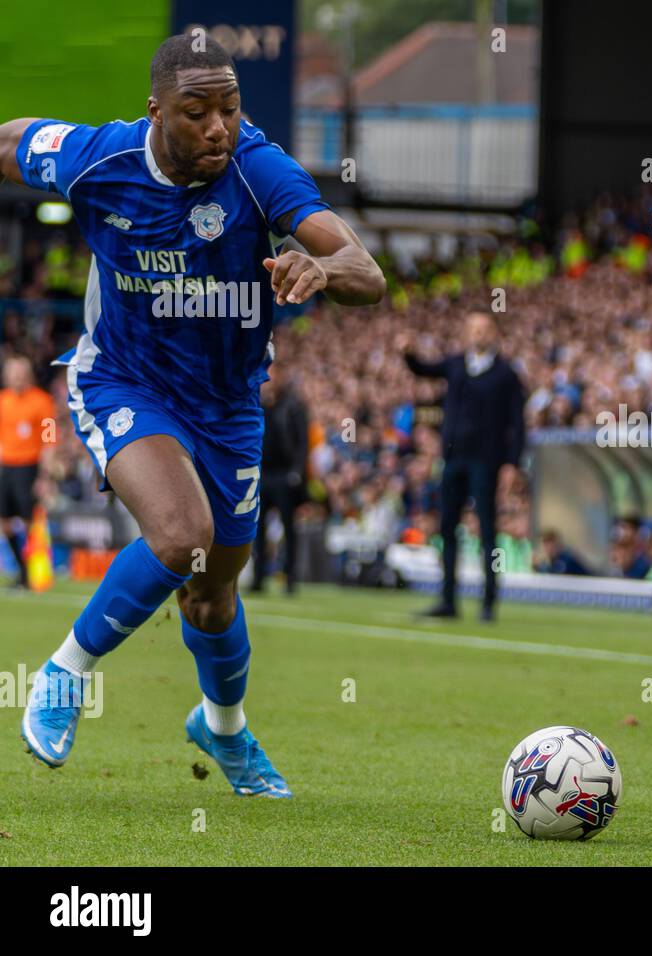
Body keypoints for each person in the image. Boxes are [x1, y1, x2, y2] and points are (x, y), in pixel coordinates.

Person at [2, 35, 386, 796]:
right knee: (181, 537)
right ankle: (61, 676)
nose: (219, 126)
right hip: (122, 379)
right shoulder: (95, 159)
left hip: (228, 403)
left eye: (231, 109)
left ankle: (223, 729)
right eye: (198, 111)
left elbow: (366, 272)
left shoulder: (257, 166)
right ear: (156, 114)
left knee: (212, 593)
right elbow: (11, 141)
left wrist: (324, 265)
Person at [404, 311, 525, 621]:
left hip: (486, 460)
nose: (478, 334)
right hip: (453, 458)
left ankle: (488, 602)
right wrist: (408, 353)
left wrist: (511, 463)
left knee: (486, 529)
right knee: (447, 527)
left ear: (495, 333)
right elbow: (424, 369)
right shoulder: (456, 364)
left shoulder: (505, 374)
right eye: (472, 328)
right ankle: (448, 599)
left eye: (484, 328)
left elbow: (517, 423)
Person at [252, 363, 309, 594]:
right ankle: (258, 577)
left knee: (288, 527)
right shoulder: (260, 403)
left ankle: (290, 577)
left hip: (284, 475)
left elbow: (302, 442)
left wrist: (297, 471)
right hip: (263, 473)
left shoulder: (293, 405)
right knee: (258, 529)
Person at [0, 355, 56, 589]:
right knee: (4, 521)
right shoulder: (2, 400)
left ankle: (36, 573)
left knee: (31, 521)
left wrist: (45, 476)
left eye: (21, 372)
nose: (17, 376)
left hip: (30, 467)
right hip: (6, 467)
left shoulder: (42, 401)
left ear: (29, 374)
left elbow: (49, 440)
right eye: (12, 371)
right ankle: (23, 571)